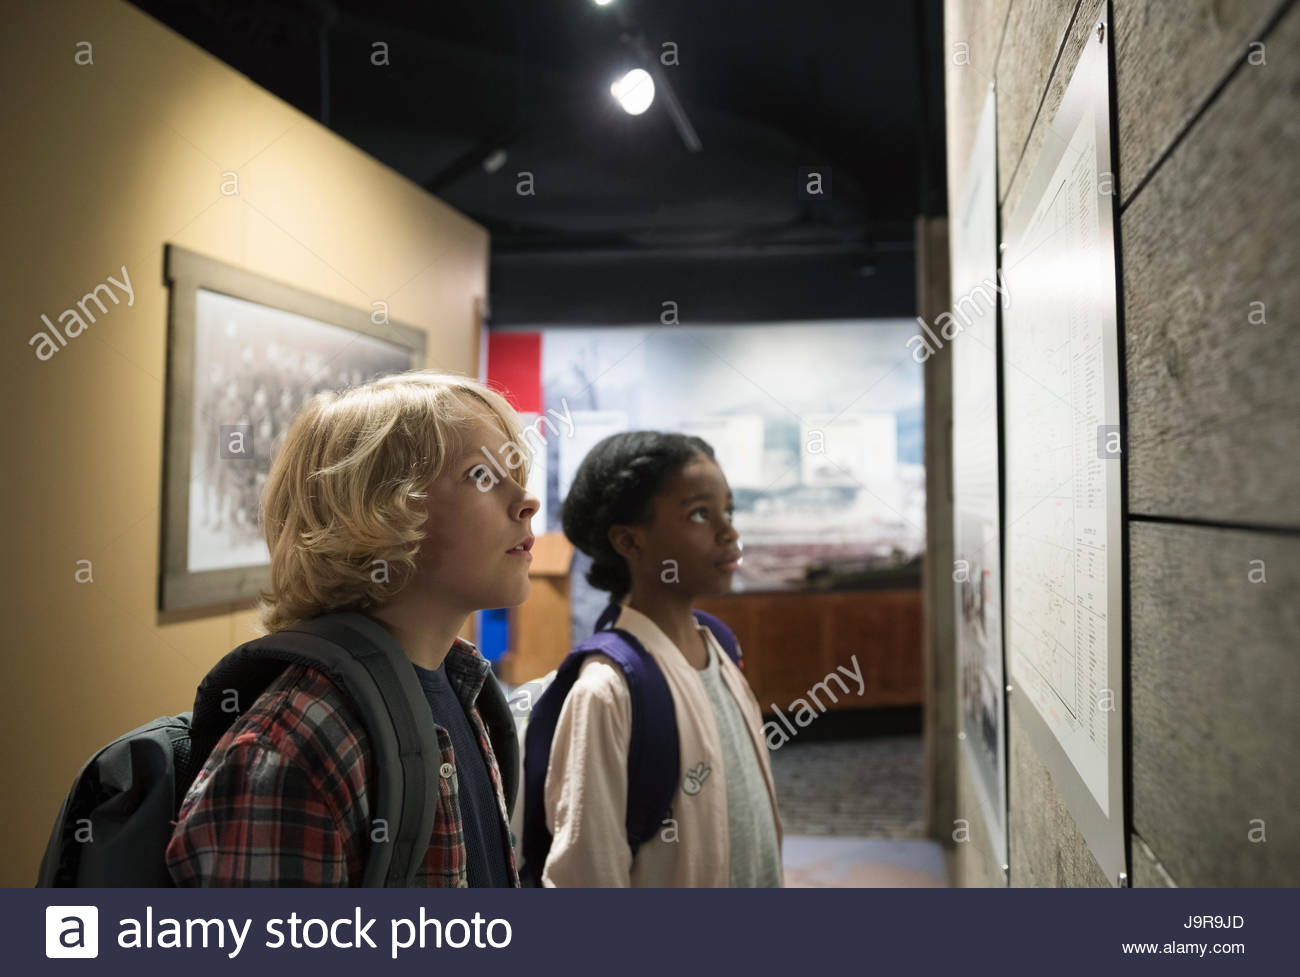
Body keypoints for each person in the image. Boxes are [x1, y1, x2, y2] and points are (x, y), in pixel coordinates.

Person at [166, 370, 539, 886]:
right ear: (372, 512)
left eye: (517, 473)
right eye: (481, 475)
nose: (527, 500)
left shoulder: (466, 687)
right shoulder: (293, 746)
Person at [541, 431, 783, 887]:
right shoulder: (607, 691)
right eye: (698, 514)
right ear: (629, 542)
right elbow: (587, 876)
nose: (728, 531)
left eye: (727, 510)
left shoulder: (722, 648)